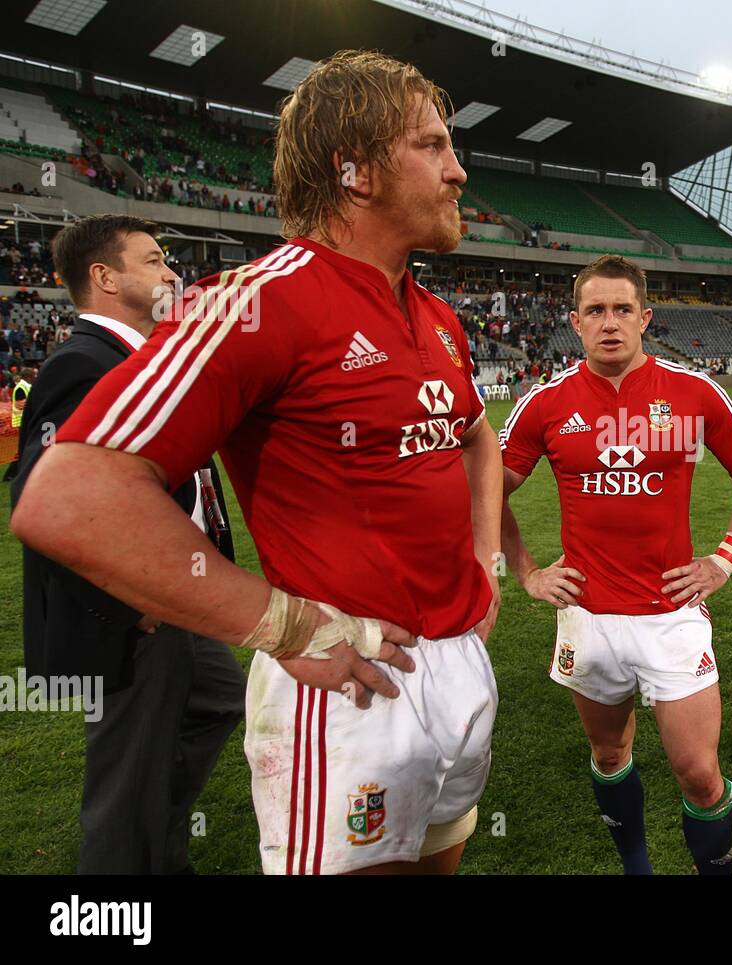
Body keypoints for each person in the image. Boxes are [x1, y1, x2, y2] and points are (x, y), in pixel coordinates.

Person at [10, 50, 501, 875]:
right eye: (432, 146)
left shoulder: (439, 318)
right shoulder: (255, 301)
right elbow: (67, 495)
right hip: (347, 688)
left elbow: (477, 437)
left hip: (457, 667)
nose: (457, 172)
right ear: (355, 171)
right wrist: (284, 625)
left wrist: (486, 558)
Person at [498, 255, 732, 874]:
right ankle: (637, 868)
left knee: (700, 774)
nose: (610, 322)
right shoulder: (546, 404)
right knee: (608, 752)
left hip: (670, 615)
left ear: (646, 317)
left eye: (623, 309)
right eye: (595, 310)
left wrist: (726, 557)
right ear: (574, 323)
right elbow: (487, 489)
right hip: (587, 617)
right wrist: (526, 573)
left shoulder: (693, 392)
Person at [12, 214, 244, 873]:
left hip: (176, 594)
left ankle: (157, 849)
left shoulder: (139, 357)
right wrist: (128, 608)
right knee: (122, 783)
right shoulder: (83, 364)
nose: (171, 272)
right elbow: (49, 503)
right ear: (105, 277)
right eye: (152, 261)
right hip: (131, 611)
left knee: (220, 700)